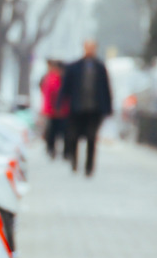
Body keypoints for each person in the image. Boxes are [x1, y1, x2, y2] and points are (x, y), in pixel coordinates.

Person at [59, 39, 113, 176]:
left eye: (92, 47)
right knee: (73, 136)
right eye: (88, 47)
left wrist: (108, 108)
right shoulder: (74, 67)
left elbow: (106, 89)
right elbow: (65, 87)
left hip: (94, 110)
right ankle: (74, 160)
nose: (90, 50)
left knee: (91, 137)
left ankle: (89, 167)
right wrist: (60, 103)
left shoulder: (100, 67)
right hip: (76, 109)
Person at [38, 59, 67, 159]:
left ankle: (52, 149)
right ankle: (52, 149)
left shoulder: (53, 78)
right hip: (54, 110)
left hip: (57, 110)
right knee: (53, 131)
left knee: (55, 131)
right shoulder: (50, 77)